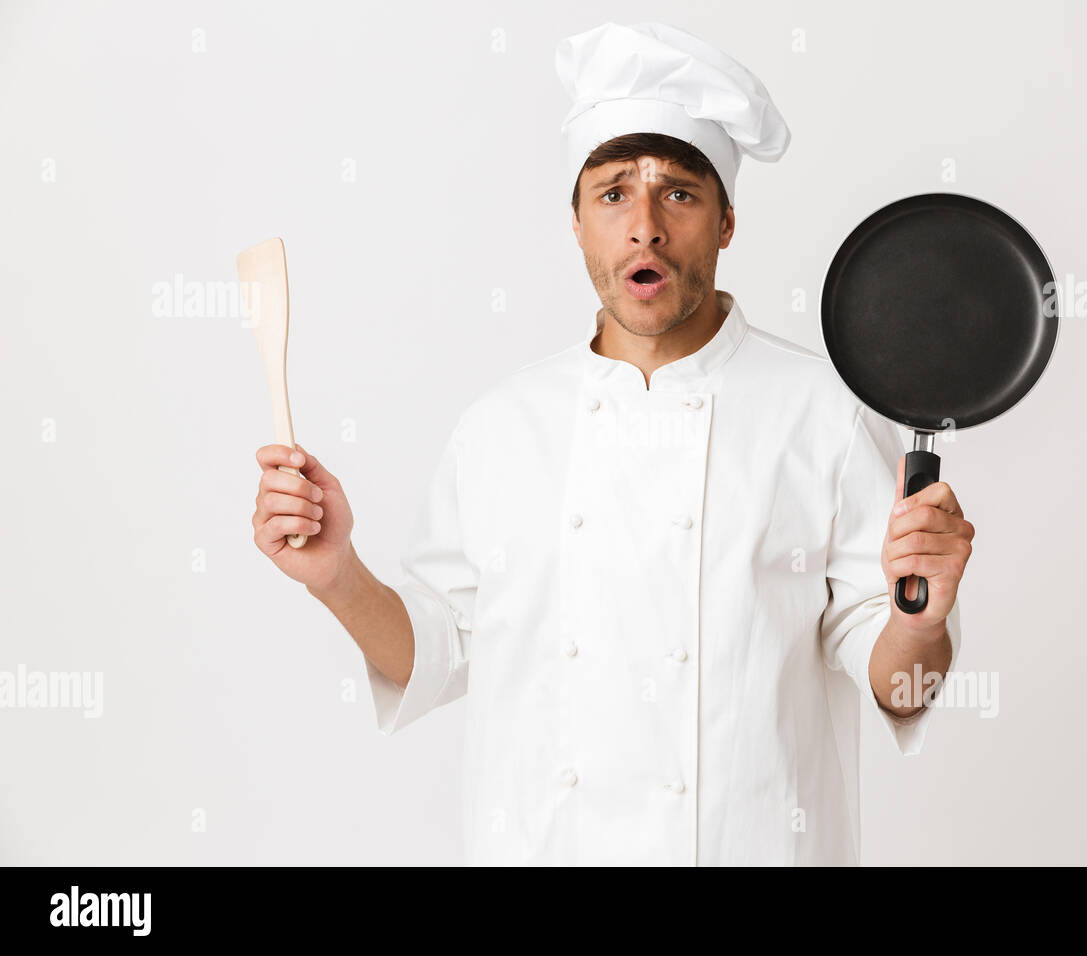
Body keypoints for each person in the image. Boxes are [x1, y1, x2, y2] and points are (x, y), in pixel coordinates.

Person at [251, 21, 974, 866]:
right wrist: (336, 573)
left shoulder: (822, 414)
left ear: (727, 221)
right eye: (612, 193)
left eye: (678, 192)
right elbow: (436, 653)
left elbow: (899, 684)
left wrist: (923, 617)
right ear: (576, 222)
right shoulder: (501, 426)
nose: (644, 227)